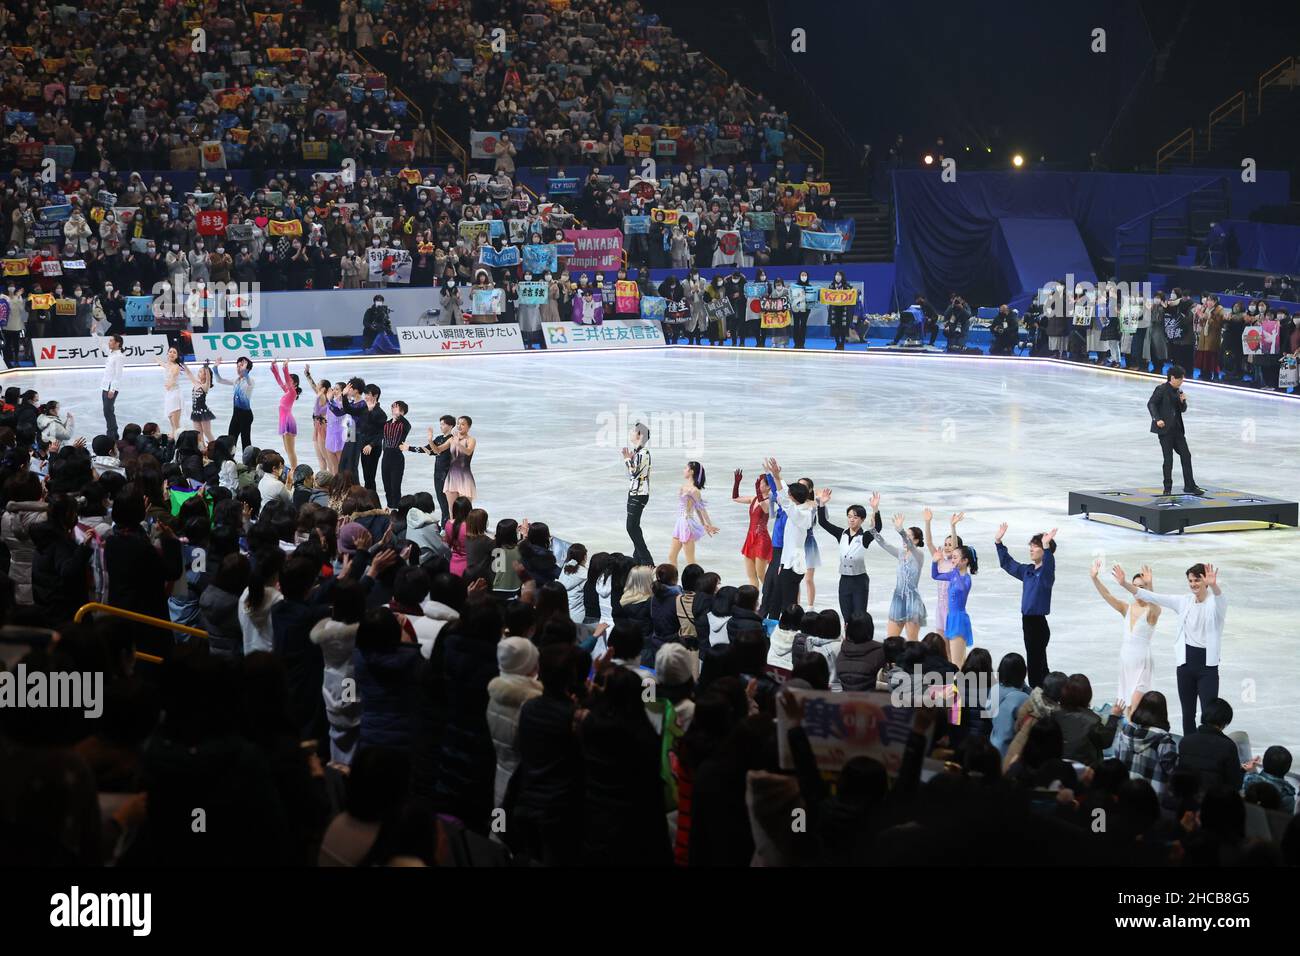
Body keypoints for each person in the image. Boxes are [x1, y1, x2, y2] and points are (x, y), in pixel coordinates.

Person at [1117, 562, 1226, 738]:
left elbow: (1221, 599)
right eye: (1190, 581)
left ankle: (1207, 748)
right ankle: (1189, 747)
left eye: (1197, 580)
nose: (1193, 584)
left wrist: (1214, 585)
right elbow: (1153, 597)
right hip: (1185, 665)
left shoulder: (1215, 604)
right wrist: (1125, 584)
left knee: (1209, 714)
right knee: (1187, 713)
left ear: (1205, 581)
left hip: (1207, 667)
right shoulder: (1184, 601)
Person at [1090, 560, 1161, 715]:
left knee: (1135, 707)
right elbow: (1107, 595)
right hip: (1126, 662)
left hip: (1142, 664)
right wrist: (1095, 578)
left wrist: (1150, 587)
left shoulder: (1152, 611)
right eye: (1135, 586)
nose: (1137, 591)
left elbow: (1155, 603)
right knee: (1126, 706)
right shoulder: (1126, 608)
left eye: (1141, 587)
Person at [993, 523, 1057, 689]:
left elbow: (1049, 564)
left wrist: (1047, 547)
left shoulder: (1046, 574)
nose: (1031, 549)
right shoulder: (1027, 571)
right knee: (1039, 663)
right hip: (1028, 623)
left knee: (1035, 666)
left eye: (1035, 546)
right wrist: (999, 543)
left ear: (1044, 549)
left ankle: (1038, 696)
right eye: (1031, 546)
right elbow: (1008, 564)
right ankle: (1048, 693)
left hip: (1037, 624)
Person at [814, 488, 883, 622]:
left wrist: (875, 509)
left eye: (855, 517)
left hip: (859, 581)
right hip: (844, 581)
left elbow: (878, 528)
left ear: (862, 520)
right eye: (850, 516)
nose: (851, 520)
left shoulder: (865, 537)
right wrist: (822, 504)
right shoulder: (841, 533)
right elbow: (823, 522)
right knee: (846, 616)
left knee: (859, 617)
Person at [868, 511, 927, 640]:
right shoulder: (900, 553)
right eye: (905, 536)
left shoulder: (919, 555)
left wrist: (901, 530)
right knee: (891, 640)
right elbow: (885, 544)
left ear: (916, 540)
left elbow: (910, 545)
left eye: (909, 536)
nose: (905, 539)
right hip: (898, 599)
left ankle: (915, 661)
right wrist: (873, 530)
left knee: (912, 642)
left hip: (912, 601)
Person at [1147, 364, 1203, 496]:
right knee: (1168, 459)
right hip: (1165, 430)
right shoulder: (1161, 389)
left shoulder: (1179, 391)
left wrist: (1183, 402)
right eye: (1180, 379)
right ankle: (1167, 488)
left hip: (1177, 431)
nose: (1182, 382)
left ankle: (1189, 485)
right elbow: (1151, 403)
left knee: (1186, 455)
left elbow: (1182, 410)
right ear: (1172, 378)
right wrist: (1157, 419)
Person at [929, 513, 976, 666]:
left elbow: (961, 586)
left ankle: (959, 688)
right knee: (949, 657)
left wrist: (953, 527)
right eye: (953, 557)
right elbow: (935, 575)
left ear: (965, 560)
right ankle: (952, 687)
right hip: (949, 617)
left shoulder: (966, 578)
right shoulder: (952, 575)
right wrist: (934, 562)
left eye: (956, 558)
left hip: (959, 618)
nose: (953, 559)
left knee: (957, 662)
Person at [1113, 690, 1179, 797]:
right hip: (1152, 799)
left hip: (1125, 793)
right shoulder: (1163, 740)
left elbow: (1116, 758)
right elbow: (1172, 770)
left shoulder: (1124, 732)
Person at [1176, 698, 1246, 793]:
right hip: (1214, 801)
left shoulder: (1185, 742)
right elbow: (1235, 784)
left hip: (1188, 798)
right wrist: (1242, 771)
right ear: (1225, 721)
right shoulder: (1228, 746)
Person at [403, 414, 455, 521]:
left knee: (445, 502)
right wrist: (409, 448)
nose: (441, 426)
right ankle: (444, 524)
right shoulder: (439, 438)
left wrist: (430, 441)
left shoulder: (452, 439)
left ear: (450, 426)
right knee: (441, 501)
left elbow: (436, 450)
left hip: (446, 473)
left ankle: (447, 525)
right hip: (438, 472)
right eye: (440, 424)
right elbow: (427, 449)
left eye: (443, 424)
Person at [667, 460, 718, 568]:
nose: (684, 470)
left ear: (692, 472)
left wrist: (708, 524)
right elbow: (698, 508)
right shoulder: (684, 487)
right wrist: (704, 524)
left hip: (686, 524)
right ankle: (672, 581)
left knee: (690, 562)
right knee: (671, 556)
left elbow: (701, 509)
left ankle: (696, 583)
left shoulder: (694, 491)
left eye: (686, 468)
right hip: (679, 523)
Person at [732, 469, 772, 589]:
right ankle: (753, 602)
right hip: (750, 538)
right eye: (758, 483)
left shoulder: (770, 501)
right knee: (751, 575)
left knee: (761, 575)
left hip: (762, 539)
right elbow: (735, 498)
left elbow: (765, 509)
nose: (759, 485)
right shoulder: (753, 498)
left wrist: (758, 492)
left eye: (761, 483)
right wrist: (737, 483)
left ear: (769, 487)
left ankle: (772, 599)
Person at [622, 422, 653, 566]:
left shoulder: (643, 453)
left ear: (640, 435)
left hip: (639, 493)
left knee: (631, 527)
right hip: (635, 492)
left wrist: (627, 459)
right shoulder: (638, 452)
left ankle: (647, 561)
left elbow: (634, 473)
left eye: (633, 431)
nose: (631, 433)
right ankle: (638, 559)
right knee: (634, 526)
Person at [213, 355, 256, 451]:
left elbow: (248, 380)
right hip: (236, 414)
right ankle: (229, 461)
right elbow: (219, 380)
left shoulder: (250, 381)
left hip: (246, 415)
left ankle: (248, 463)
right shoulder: (236, 381)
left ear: (247, 369)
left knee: (246, 441)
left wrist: (244, 371)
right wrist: (215, 368)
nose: (238, 368)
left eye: (241, 366)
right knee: (230, 440)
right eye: (237, 366)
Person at [270, 360, 301, 471]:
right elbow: (279, 380)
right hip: (283, 421)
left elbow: (286, 380)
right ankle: (293, 469)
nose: (288, 382)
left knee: (290, 450)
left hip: (288, 421)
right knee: (287, 449)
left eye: (290, 381)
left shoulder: (293, 392)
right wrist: (274, 367)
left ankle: (294, 470)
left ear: (295, 384)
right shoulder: (288, 391)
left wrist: (285, 367)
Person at [380, 401, 411, 509]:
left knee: (395, 487)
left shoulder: (404, 425)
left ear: (402, 411)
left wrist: (399, 416)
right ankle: (389, 507)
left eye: (397, 408)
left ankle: (397, 510)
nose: (394, 410)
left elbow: (407, 425)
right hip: (386, 458)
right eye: (393, 407)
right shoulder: (386, 423)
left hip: (397, 458)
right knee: (387, 487)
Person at [443, 415, 477, 509]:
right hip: (452, 476)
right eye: (458, 424)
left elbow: (468, 451)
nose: (459, 426)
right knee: (452, 509)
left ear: (468, 427)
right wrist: (430, 440)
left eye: (462, 424)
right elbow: (438, 450)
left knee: (466, 509)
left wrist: (458, 443)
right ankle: (452, 524)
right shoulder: (452, 439)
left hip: (465, 476)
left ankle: (467, 524)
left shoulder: (471, 440)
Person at [155, 347, 186, 440]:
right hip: (169, 394)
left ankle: (179, 439)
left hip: (175, 395)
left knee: (175, 421)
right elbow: (164, 365)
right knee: (170, 417)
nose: (172, 354)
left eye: (174, 352)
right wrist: (157, 360)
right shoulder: (168, 365)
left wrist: (169, 384)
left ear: (177, 356)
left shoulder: (176, 366)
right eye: (170, 352)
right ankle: (173, 434)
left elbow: (174, 377)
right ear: (167, 353)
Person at [100, 333, 124, 441]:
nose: (109, 342)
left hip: (110, 388)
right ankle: (113, 433)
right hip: (105, 386)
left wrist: (112, 389)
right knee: (108, 411)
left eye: (111, 341)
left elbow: (118, 374)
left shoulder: (119, 357)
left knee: (108, 411)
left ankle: (112, 435)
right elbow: (100, 345)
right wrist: (94, 333)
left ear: (117, 343)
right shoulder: (111, 353)